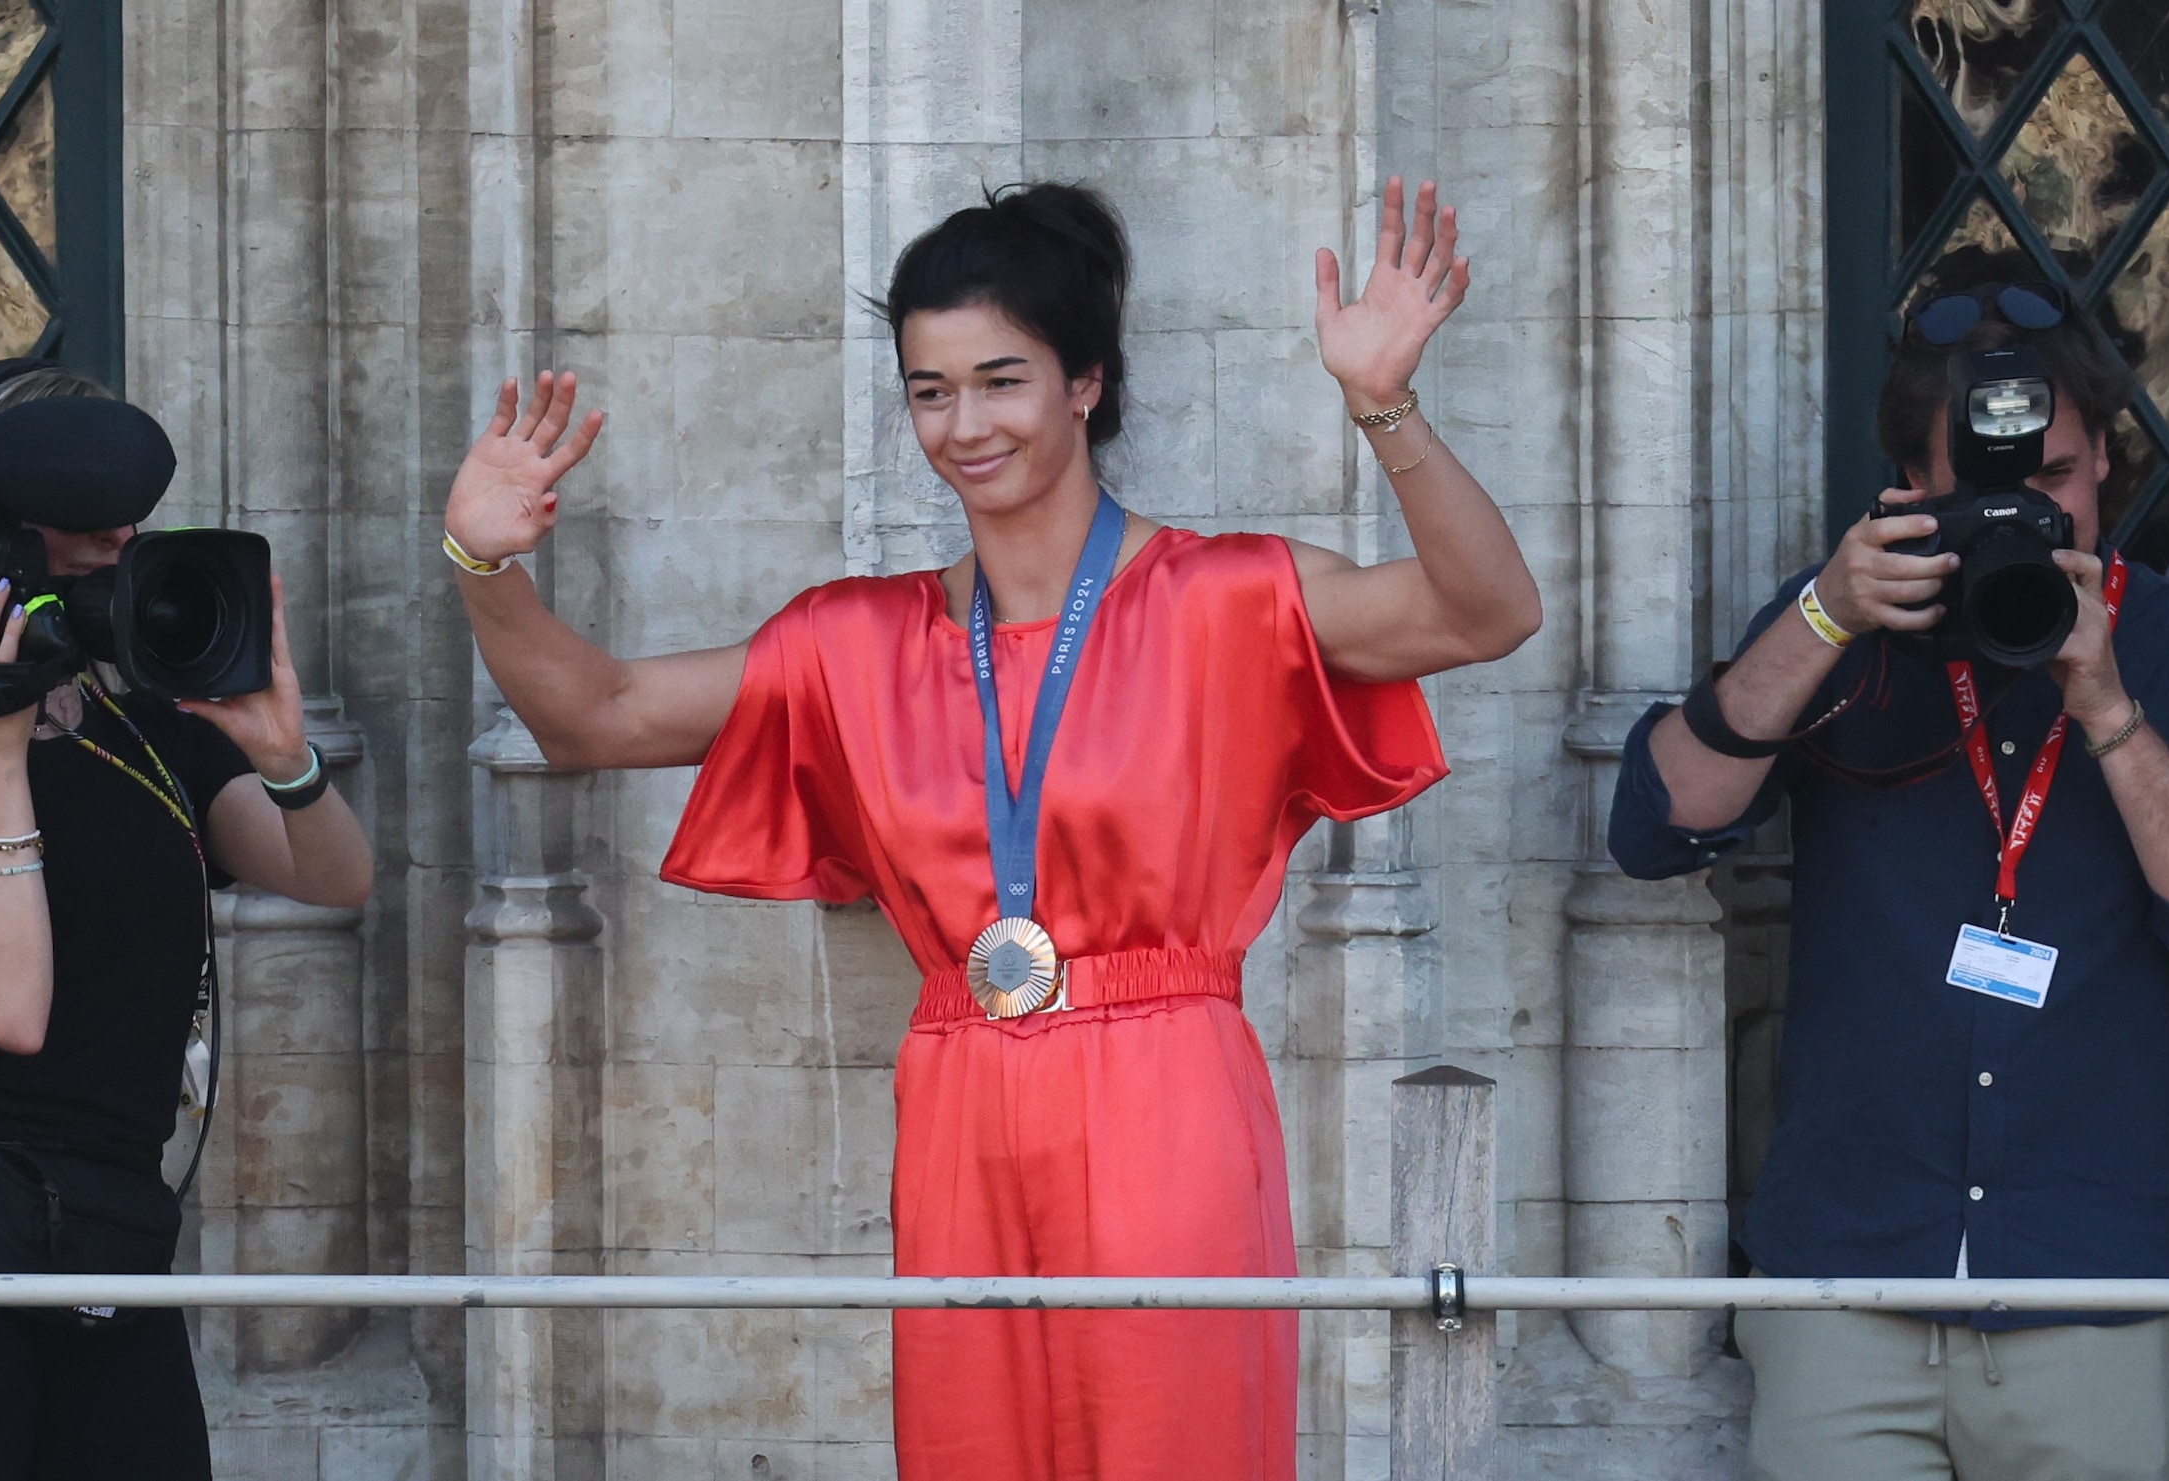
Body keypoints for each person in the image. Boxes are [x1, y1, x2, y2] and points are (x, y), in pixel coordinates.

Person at [446, 177, 1539, 1477]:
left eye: (1001, 380)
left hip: (1166, 1073)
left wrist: (1384, 405)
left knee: (1171, 1447)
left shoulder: (1225, 597)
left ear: (1085, 382)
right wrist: (483, 565)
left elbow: (1486, 614)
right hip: (958, 1080)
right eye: (930, 389)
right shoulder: (852, 640)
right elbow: (599, 716)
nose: (965, 424)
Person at [1610, 248, 2169, 1481]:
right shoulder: (1838, 628)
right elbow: (1656, 823)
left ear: (2104, 460)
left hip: (2094, 1276)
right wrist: (1823, 611)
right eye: (1985, 485)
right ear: (1910, 487)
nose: (2034, 512)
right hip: (1848, 1278)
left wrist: (2103, 705)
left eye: (2053, 475)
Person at [0, 364, 375, 1481]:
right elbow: (11, 1009)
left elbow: (333, 876)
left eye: (127, 515)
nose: (116, 537)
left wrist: (281, 753)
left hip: (105, 1230)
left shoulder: (145, 720)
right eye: (81, 514)